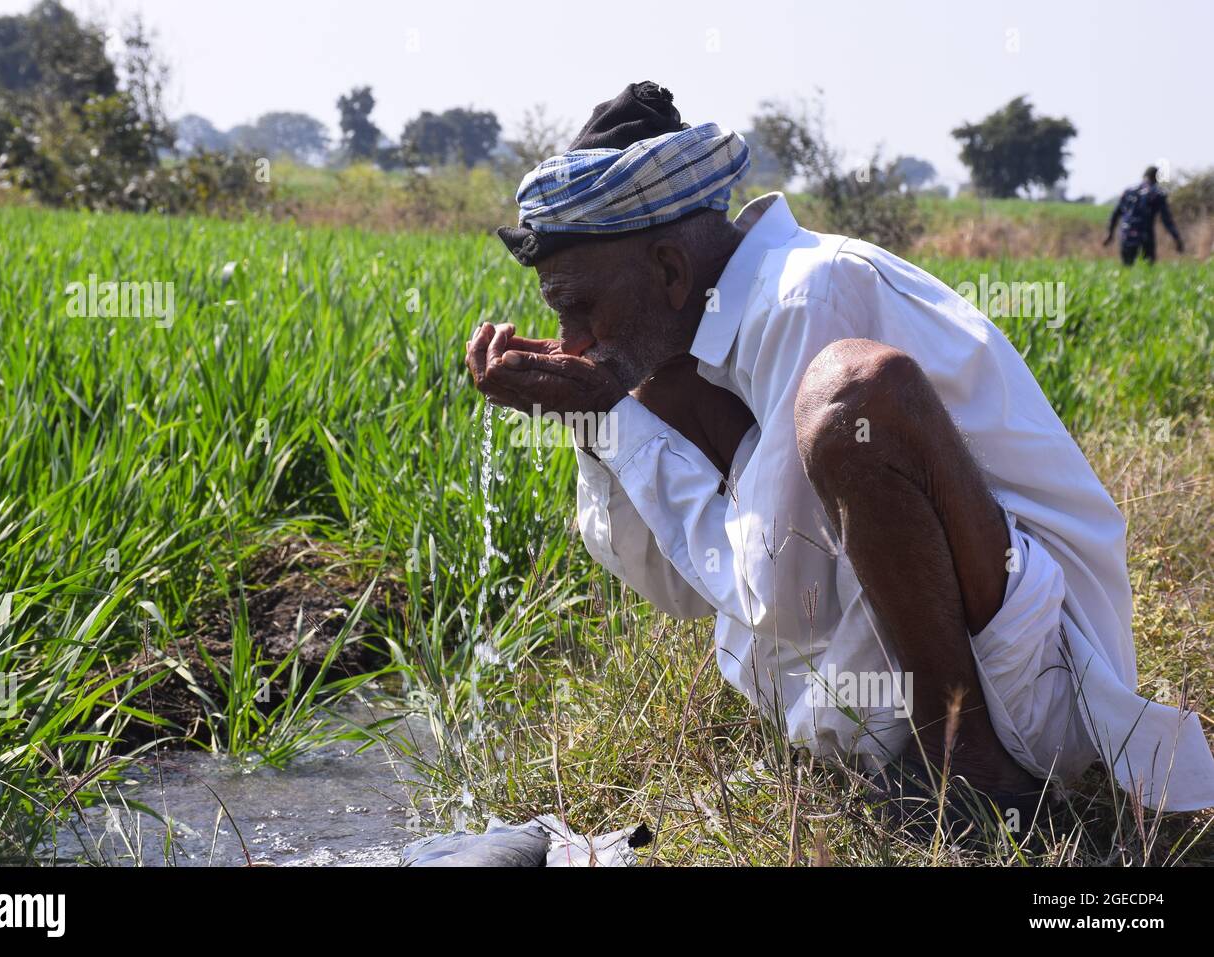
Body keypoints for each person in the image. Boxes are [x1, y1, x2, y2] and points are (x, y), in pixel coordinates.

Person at [464, 81, 1214, 830]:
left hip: (1042, 671)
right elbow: (682, 590)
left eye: (580, 307)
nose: (571, 340)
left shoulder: (803, 296)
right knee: (689, 396)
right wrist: (608, 424)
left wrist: (617, 419)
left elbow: (779, 591)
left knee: (850, 393)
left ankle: (971, 767)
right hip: (969, 649)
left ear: (668, 270)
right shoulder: (702, 345)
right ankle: (932, 745)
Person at [1104, 166, 1185, 264]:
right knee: (1148, 270)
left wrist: (1110, 233)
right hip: (1145, 236)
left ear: (1144, 176)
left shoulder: (1128, 192)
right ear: (1156, 178)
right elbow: (1167, 220)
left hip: (1127, 235)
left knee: (1127, 270)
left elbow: (1116, 214)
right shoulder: (1157, 194)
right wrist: (1176, 238)